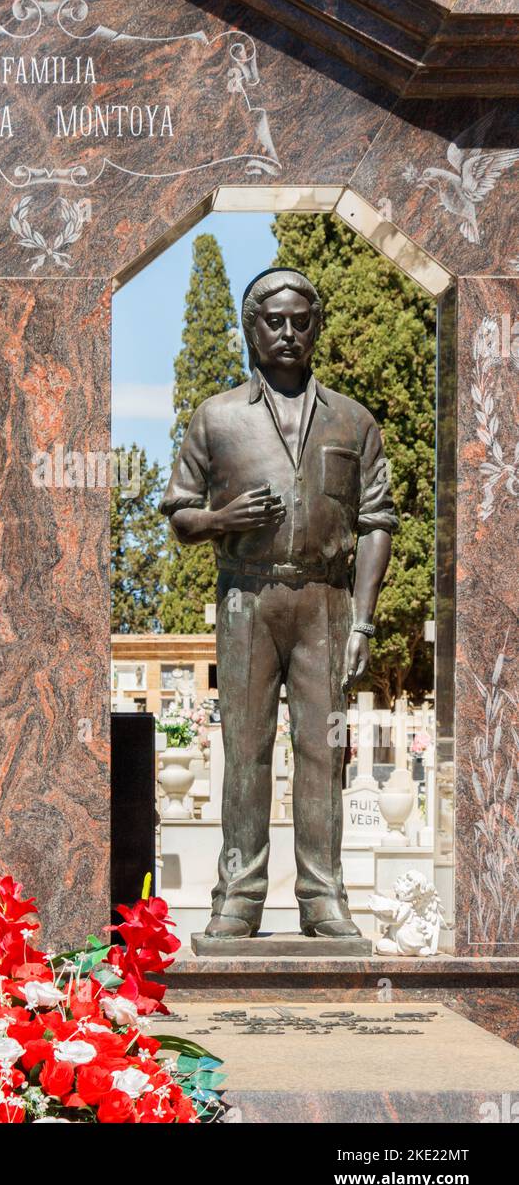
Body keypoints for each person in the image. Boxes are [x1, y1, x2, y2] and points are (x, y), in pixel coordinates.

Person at [160, 267, 398, 940]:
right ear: (251, 327)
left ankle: (324, 897)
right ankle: (239, 893)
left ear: (317, 325)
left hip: (324, 601)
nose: (288, 332)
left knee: (324, 750)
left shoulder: (353, 419)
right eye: (274, 321)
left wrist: (363, 618)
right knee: (247, 748)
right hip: (247, 599)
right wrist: (222, 517)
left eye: (300, 320)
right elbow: (178, 514)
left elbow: (377, 520)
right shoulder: (218, 416)